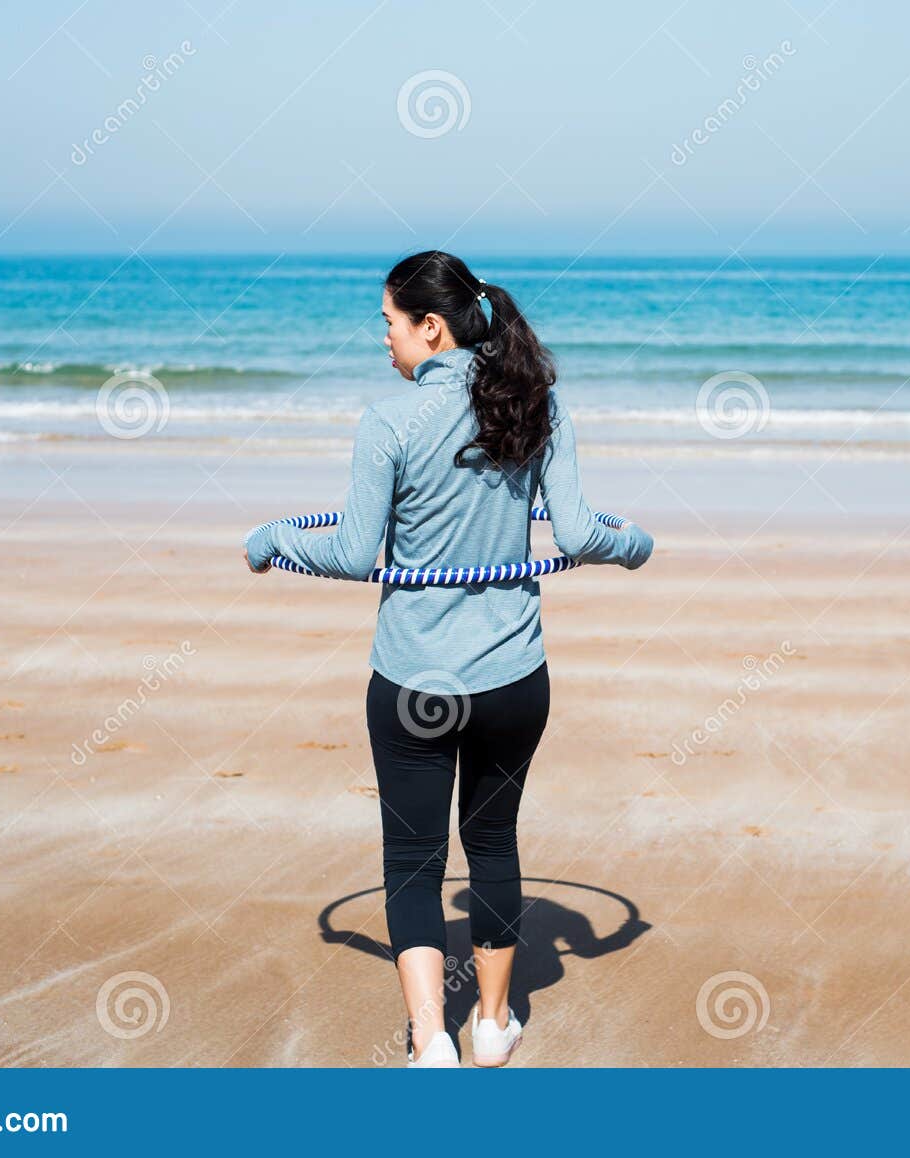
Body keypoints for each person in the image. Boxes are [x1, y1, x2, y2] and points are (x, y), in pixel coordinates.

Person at [244, 250, 653, 1067]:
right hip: (511, 679)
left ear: (431, 327)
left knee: (413, 857)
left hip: (414, 681)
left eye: (390, 325)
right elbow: (576, 536)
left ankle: (431, 1037)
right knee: (494, 845)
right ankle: (494, 1027)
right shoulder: (539, 403)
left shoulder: (388, 423)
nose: (385, 343)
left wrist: (272, 539)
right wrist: (633, 543)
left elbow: (359, 554)